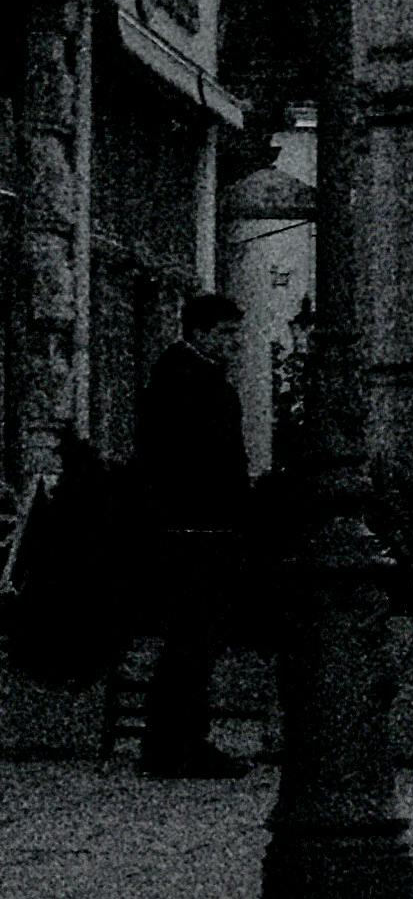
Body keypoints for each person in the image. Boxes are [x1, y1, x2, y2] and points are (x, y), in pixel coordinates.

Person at [132, 302, 254, 778]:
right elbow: (207, 460)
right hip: (196, 529)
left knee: (188, 639)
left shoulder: (180, 373)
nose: (234, 343)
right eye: (226, 333)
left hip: (185, 526)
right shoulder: (193, 380)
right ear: (201, 332)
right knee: (194, 638)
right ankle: (181, 743)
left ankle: (169, 741)